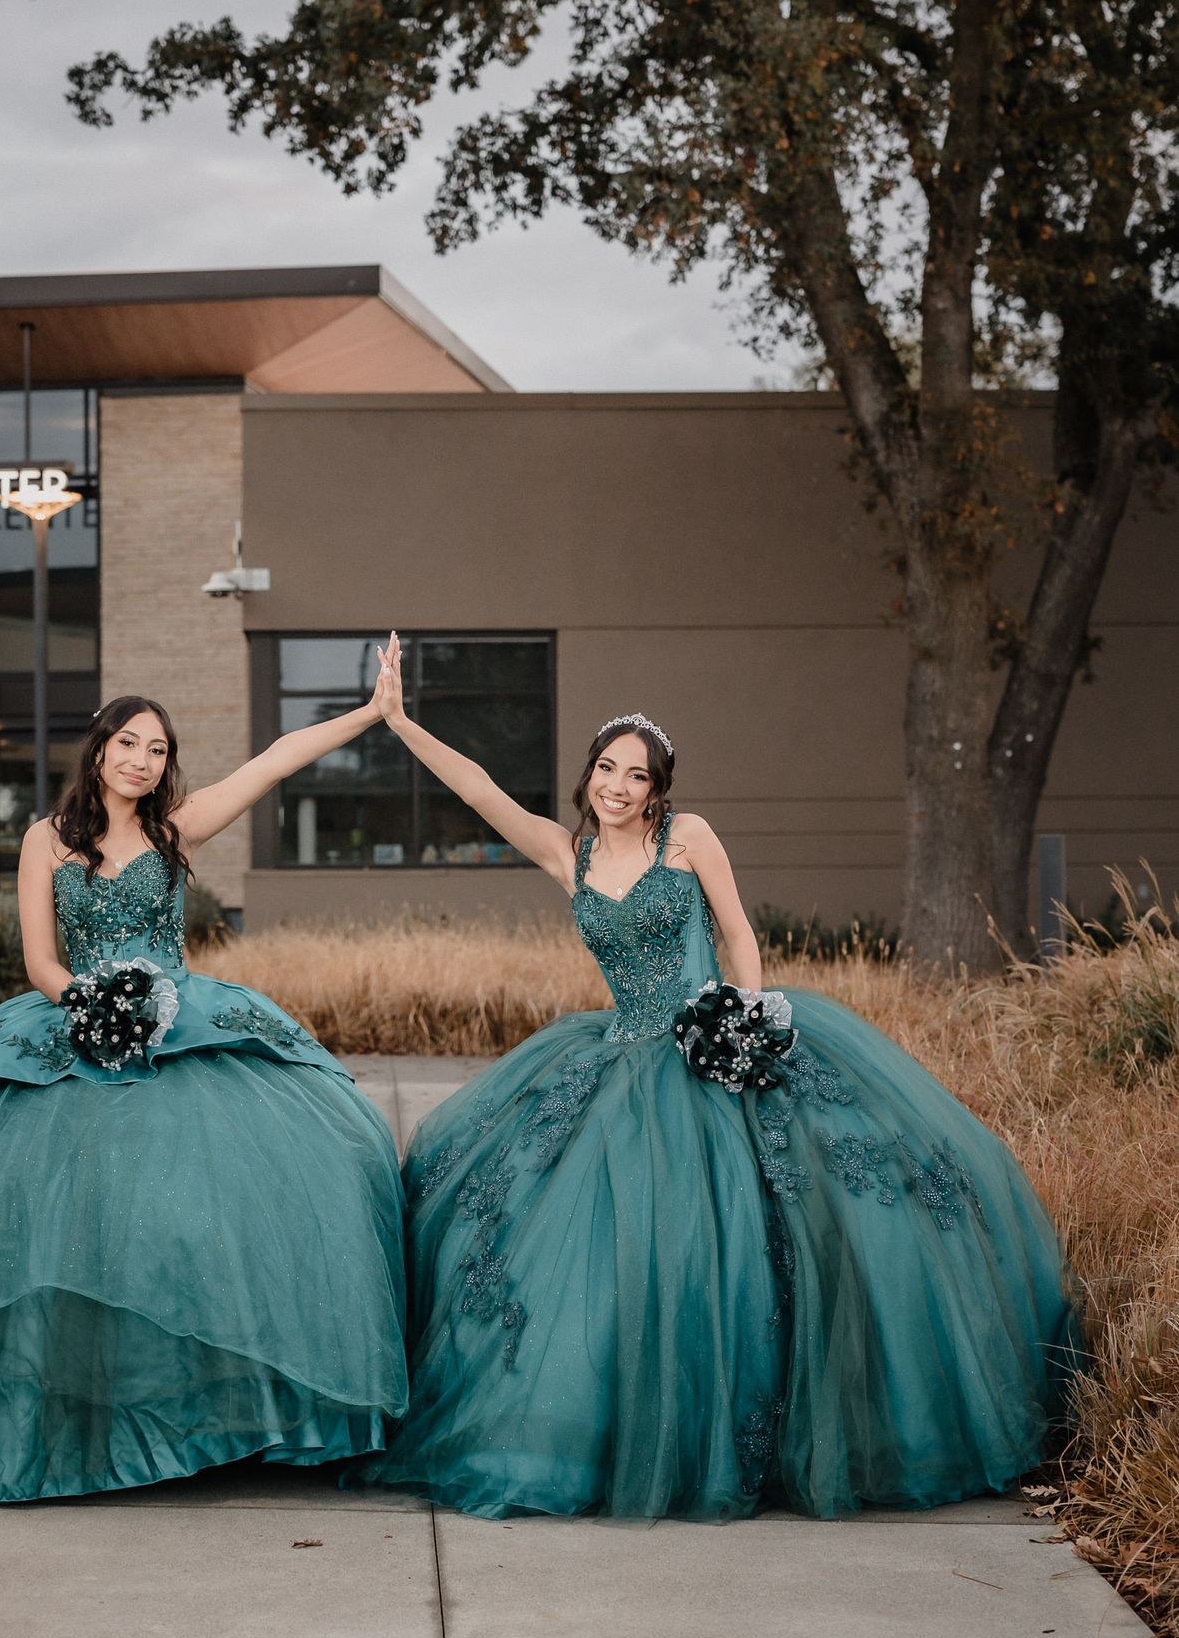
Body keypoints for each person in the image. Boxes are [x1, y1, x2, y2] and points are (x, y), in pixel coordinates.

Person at [357, 635, 1080, 1521]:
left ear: (659, 790)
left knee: (788, 1230)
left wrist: (748, 1022)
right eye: (606, 769)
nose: (617, 787)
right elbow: (477, 788)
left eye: (636, 776)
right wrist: (397, 721)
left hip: (720, 1040)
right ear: (588, 774)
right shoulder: (566, 854)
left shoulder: (687, 838)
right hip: (621, 1058)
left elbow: (738, 936)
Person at [0, 691, 407, 1502]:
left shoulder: (178, 829)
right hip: (77, 1019)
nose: (141, 760)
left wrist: (371, 714)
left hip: (184, 1024)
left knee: (254, 1192)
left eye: (158, 750)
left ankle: (220, 1414)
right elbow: (39, 961)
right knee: (57, 1206)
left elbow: (274, 762)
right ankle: (67, 1406)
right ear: (99, 749)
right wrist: (89, 1006)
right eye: (128, 743)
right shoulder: (47, 841)